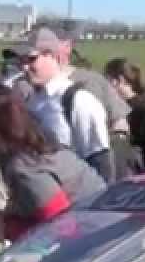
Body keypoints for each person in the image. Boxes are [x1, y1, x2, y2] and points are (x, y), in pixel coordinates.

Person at [0, 83, 106, 241]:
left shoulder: (24, 168)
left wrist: (6, 229)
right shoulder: (21, 151)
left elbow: (63, 227)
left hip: (94, 236)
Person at [13, 27, 115, 182]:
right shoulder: (32, 101)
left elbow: (100, 163)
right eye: (21, 61)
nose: (24, 67)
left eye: (31, 59)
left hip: (75, 198)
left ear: (53, 56)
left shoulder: (79, 100)